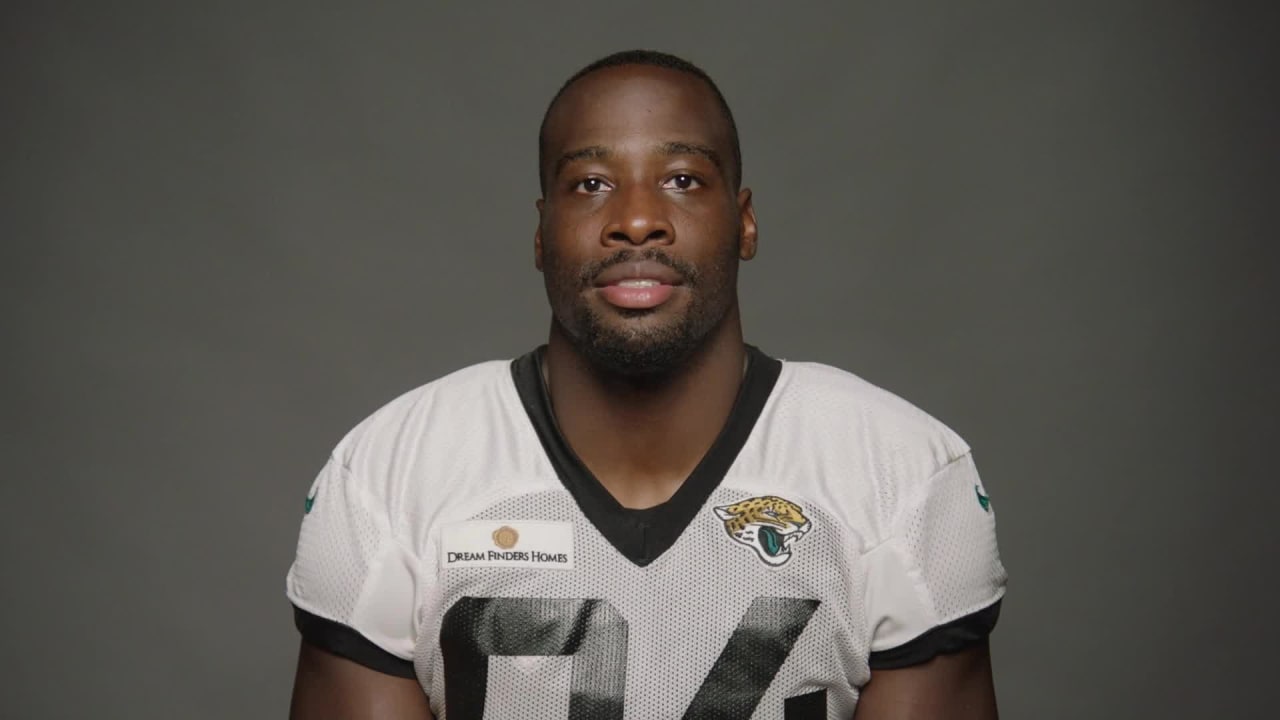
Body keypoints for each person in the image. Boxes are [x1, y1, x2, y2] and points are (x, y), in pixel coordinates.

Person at [286, 49, 1007, 719]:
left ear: (745, 221)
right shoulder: (390, 473)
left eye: (683, 180)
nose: (636, 221)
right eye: (592, 184)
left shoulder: (901, 475)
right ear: (541, 233)